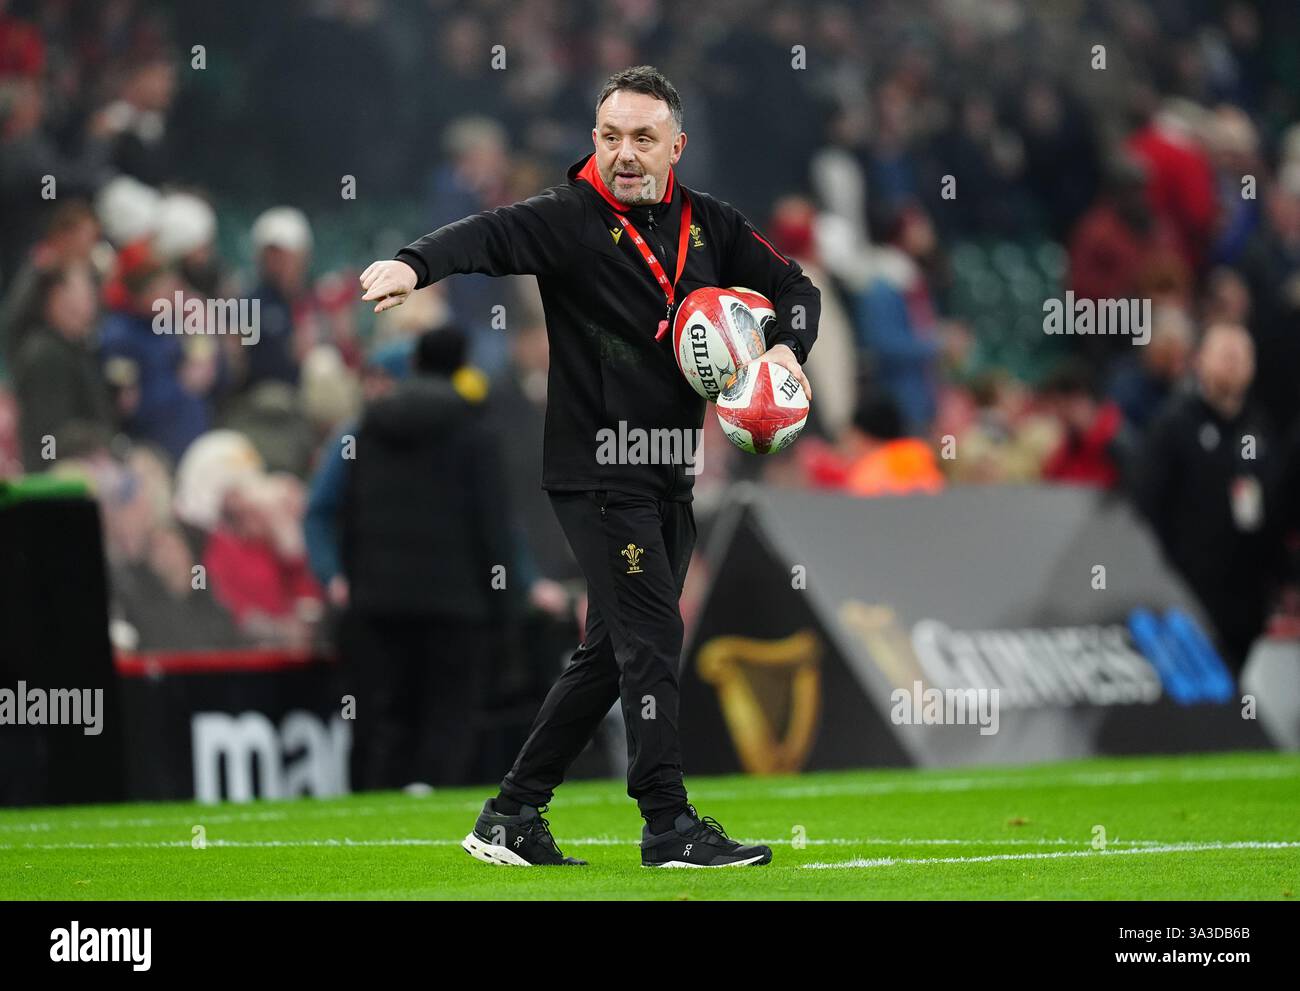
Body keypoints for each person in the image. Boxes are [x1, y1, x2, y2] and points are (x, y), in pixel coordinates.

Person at [360, 66, 819, 867]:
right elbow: (485, 235)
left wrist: (786, 349)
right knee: (651, 637)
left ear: (676, 145)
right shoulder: (569, 218)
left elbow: (796, 287)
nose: (624, 153)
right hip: (599, 470)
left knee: (609, 654)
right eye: (609, 136)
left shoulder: (710, 225)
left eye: (642, 138)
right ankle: (668, 822)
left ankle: (511, 815)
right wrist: (413, 262)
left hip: (670, 470)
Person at [1131, 323, 1283, 672]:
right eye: (1224, 354)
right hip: (1185, 597)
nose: (1233, 362)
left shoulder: (1259, 428)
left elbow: (1271, 506)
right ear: (1200, 361)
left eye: (1241, 355)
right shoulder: (1174, 425)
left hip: (1245, 600)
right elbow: (1146, 506)